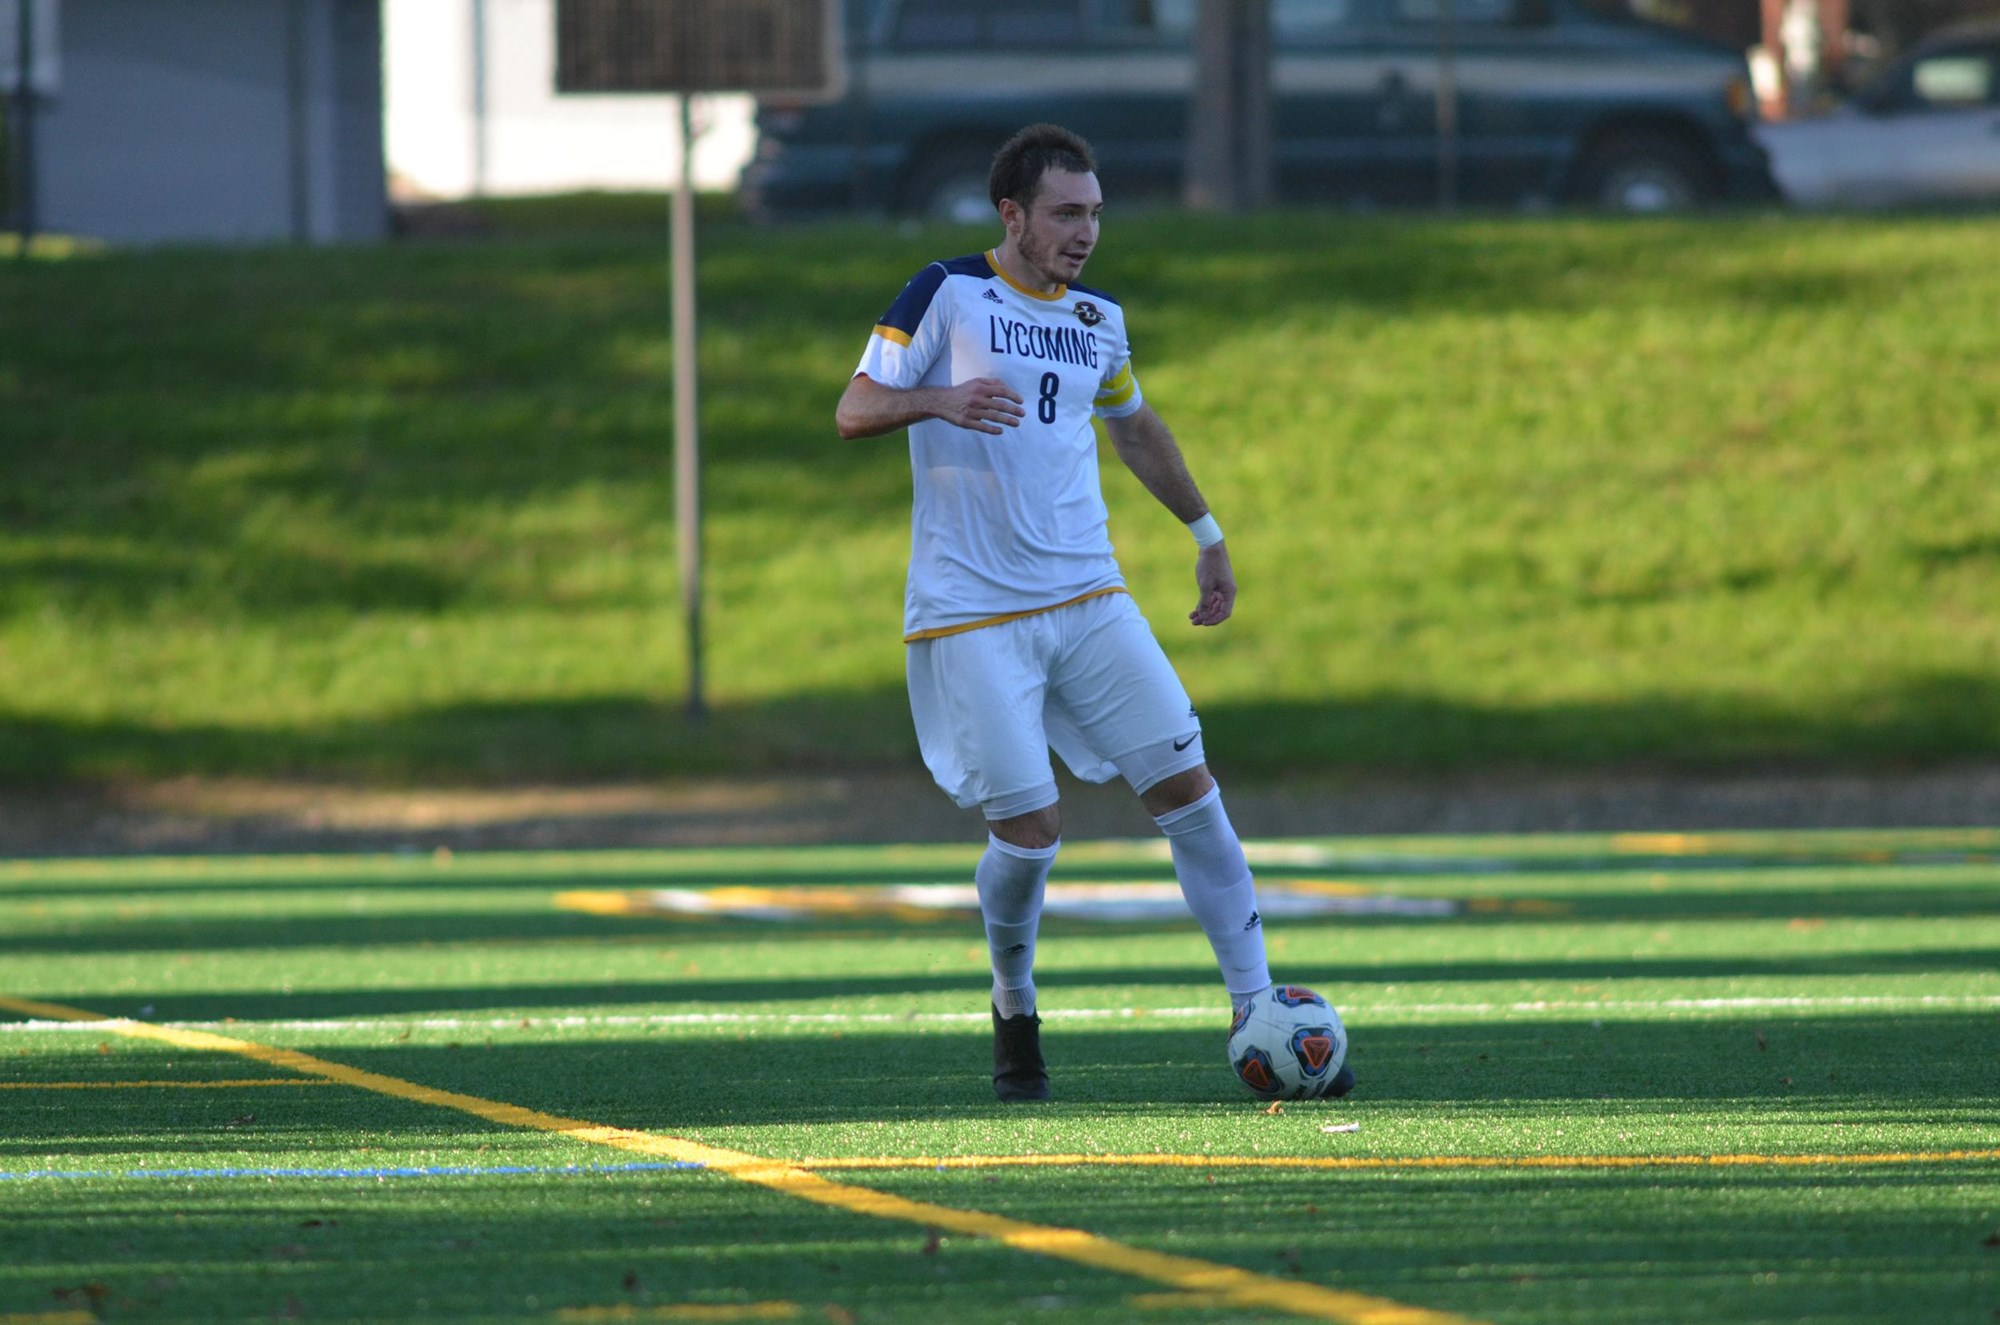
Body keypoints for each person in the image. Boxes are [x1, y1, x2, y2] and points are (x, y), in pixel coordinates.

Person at [834, 123, 1349, 1103]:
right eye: (1066, 213)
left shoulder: (1096, 320)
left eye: (1095, 214)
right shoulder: (942, 292)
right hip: (974, 614)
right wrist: (936, 401)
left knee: (1190, 789)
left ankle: (1252, 1002)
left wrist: (1205, 530)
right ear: (1011, 214)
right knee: (1030, 833)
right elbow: (853, 407)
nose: (1084, 232)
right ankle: (1013, 998)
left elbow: (1134, 425)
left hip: (1089, 596)